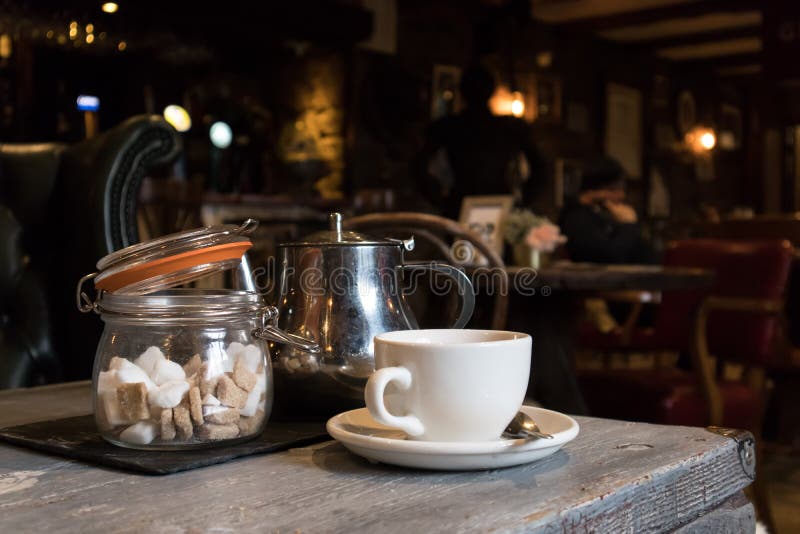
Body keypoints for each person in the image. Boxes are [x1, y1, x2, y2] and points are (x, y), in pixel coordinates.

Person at [417, 65, 544, 219]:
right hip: (483, 205)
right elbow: (419, 166)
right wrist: (523, 202)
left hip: (478, 206)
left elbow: (419, 166)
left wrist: (440, 199)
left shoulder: (449, 127)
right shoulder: (508, 127)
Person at [559, 157, 656, 265]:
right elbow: (609, 256)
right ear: (591, 190)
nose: (621, 195)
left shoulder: (602, 213)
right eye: (613, 189)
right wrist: (629, 224)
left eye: (622, 189)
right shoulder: (577, 217)